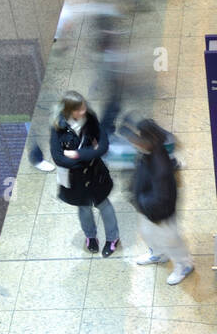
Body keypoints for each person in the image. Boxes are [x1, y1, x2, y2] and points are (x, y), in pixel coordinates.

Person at [50, 90, 120, 256]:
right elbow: (58, 158)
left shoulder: (90, 118)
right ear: (69, 111)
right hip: (76, 180)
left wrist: (77, 155)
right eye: (79, 109)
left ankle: (113, 238)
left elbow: (103, 147)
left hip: (96, 174)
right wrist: (90, 153)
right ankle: (91, 236)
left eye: (83, 107)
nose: (83, 111)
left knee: (104, 205)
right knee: (84, 208)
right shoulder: (58, 128)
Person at [128, 118, 193, 285]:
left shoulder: (160, 165)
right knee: (147, 233)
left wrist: (140, 201)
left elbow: (161, 198)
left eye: (140, 140)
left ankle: (184, 265)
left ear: (150, 141)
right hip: (148, 210)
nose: (137, 142)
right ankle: (158, 253)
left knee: (171, 240)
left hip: (161, 213)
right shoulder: (149, 152)